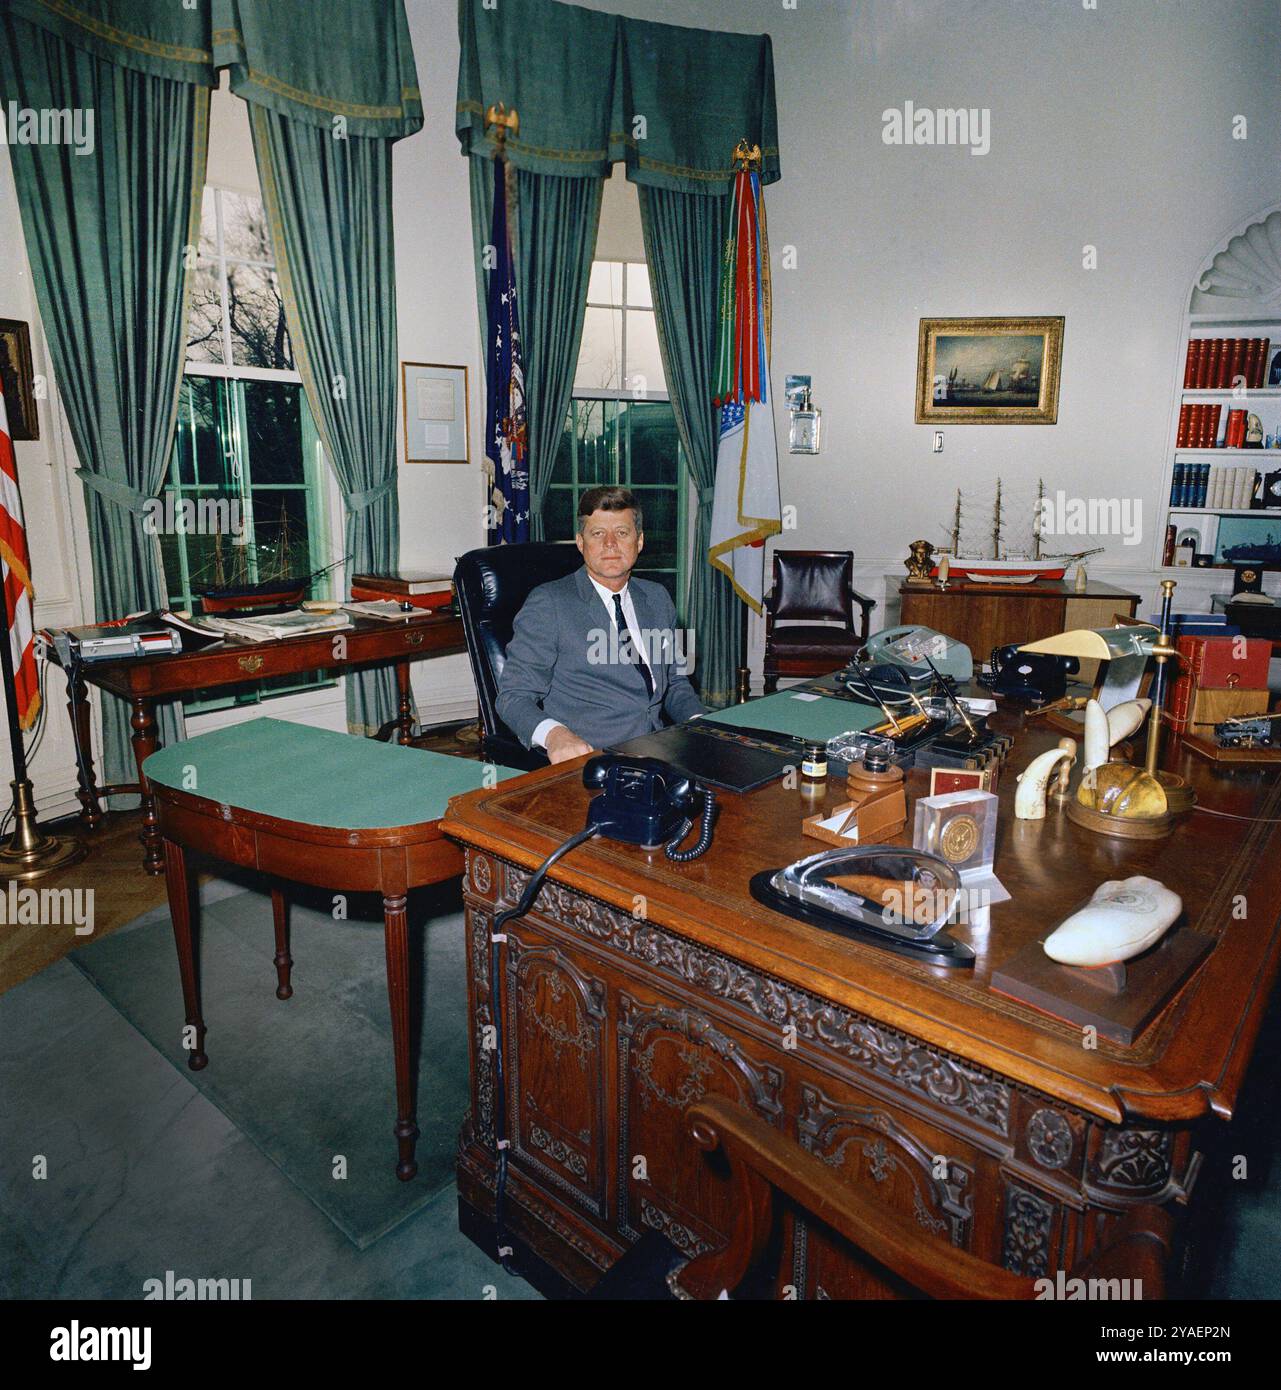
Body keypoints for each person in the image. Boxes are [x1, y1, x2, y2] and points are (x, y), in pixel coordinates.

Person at [497, 485, 706, 763]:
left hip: (659, 751)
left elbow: (676, 682)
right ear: (581, 543)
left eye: (622, 533)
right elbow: (512, 697)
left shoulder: (657, 598)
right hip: (592, 760)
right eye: (597, 533)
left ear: (639, 541)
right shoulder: (549, 604)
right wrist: (555, 735)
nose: (610, 544)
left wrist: (701, 723)